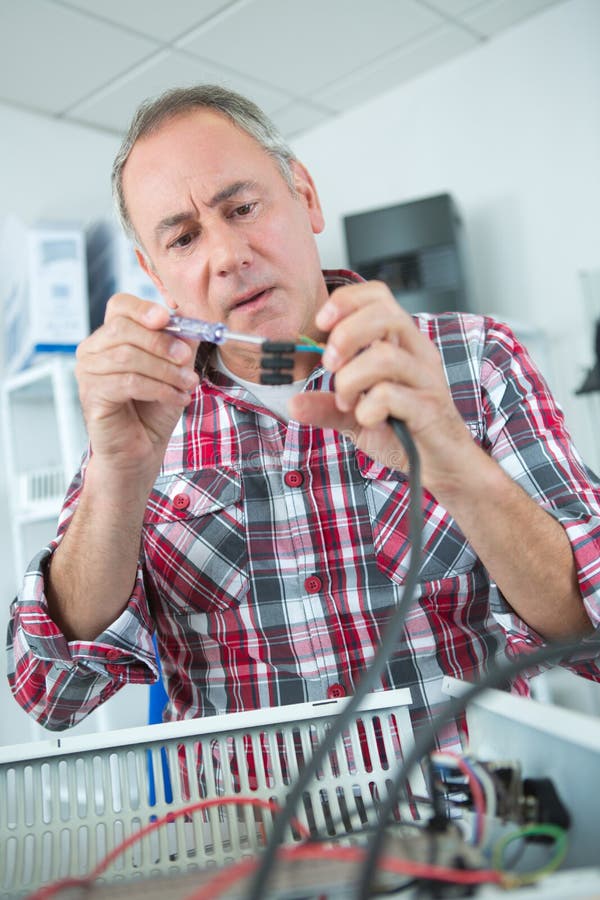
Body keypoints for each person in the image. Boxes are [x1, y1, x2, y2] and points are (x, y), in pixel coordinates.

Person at [7, 85, 600, 754]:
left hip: (471, 826)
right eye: (183, 237)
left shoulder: (471, 357)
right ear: (155, 273)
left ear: (306, 197)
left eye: (244, 206)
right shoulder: (141, 416)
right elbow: (48, 694)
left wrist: (455, 465)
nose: (227, 254)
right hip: (246, 844)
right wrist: (117, 474)